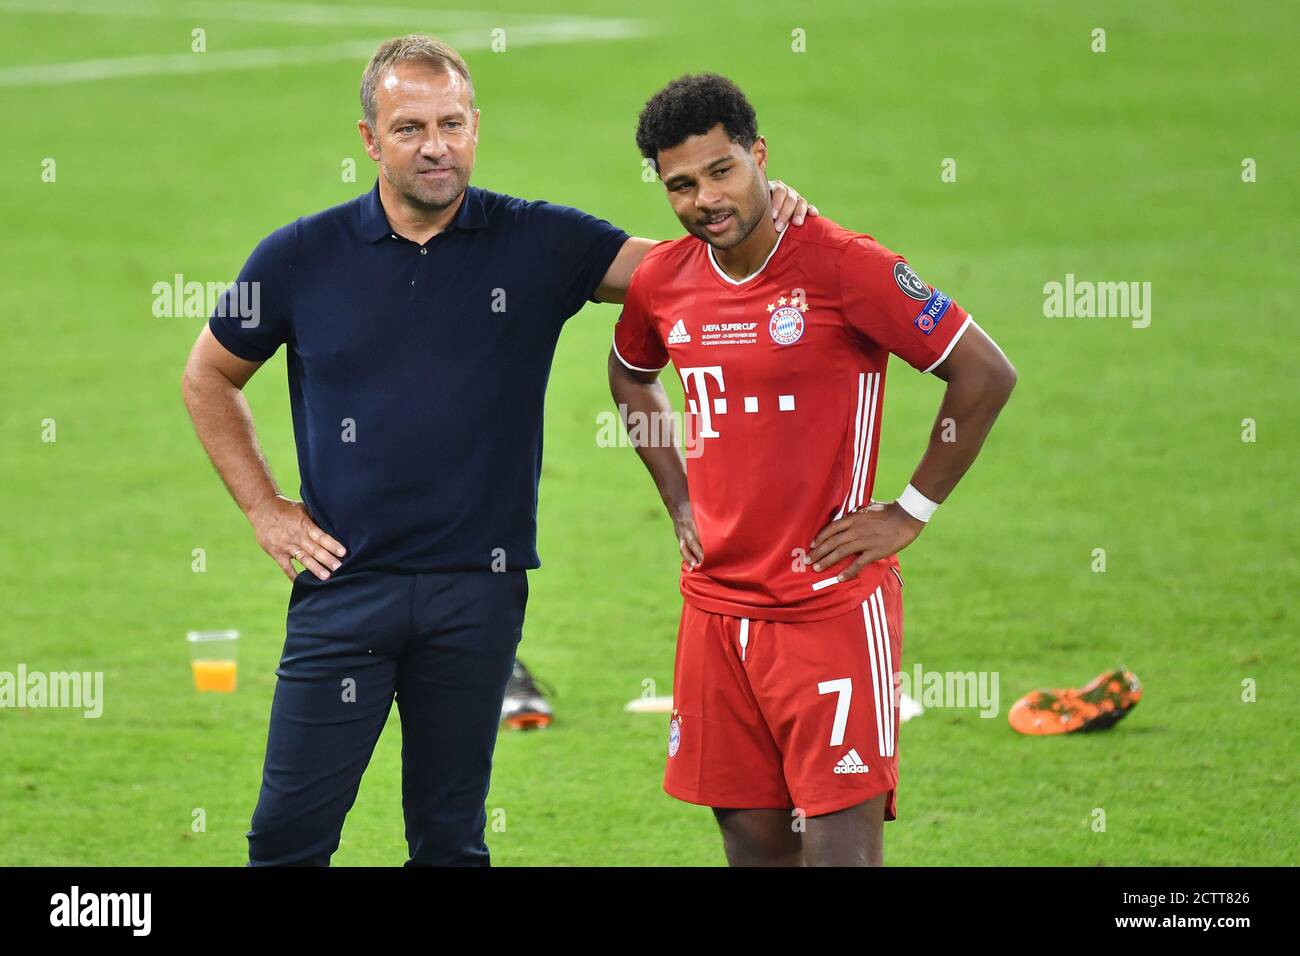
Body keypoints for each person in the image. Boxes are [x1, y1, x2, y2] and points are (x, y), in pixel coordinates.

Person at [180, 37, 813, 866]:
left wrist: (767, 211)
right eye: (409, 128)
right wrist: (267, 509)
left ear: (476, 126)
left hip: (477, 595)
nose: (435, 145)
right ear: (370, 140)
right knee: (287, 837)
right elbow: (208, 377)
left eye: (451, 123)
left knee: (449, 840)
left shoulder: (539, 242)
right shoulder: (301, 256)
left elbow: (686, 270)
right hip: (343, 588)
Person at [608, 74, 1017, 866]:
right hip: (716, 611)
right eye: (680, 185)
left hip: (826, 610)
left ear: (760, 157)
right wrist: (679, 499)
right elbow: (630, 372)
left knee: (840, 851)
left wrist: (910, 510)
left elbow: (984, 373)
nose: (705, 199)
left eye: (722, 170)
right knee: (752, 843)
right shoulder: (663, 279)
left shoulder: (845, 267)